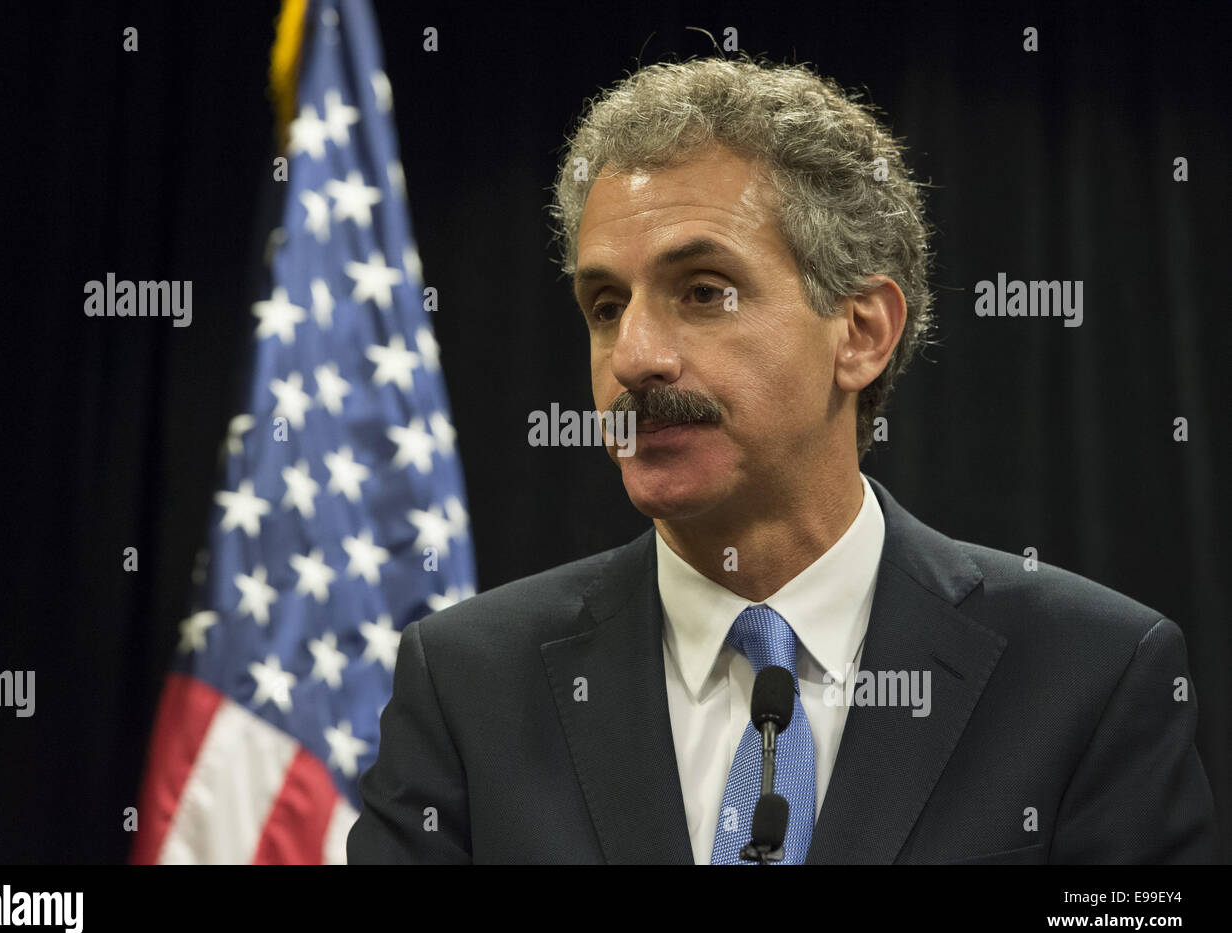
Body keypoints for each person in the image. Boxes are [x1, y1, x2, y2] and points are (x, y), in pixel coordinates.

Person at [346, 56, 1218, 864]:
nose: (634, 355)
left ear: (862, 333)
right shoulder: (467, 686)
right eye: (606, 303)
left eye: (702, 292)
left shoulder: (1090, 675)